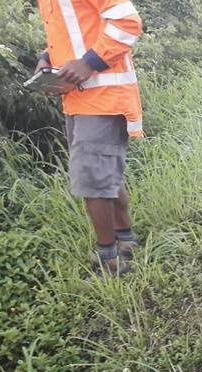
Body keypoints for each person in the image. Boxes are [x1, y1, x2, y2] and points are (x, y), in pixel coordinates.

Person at [36, 0, 144, 275]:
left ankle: (109, 260)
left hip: (102, 99)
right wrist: (48, 59)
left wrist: (88, 63)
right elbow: (76, 32)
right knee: (104, 174)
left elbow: (127, 22)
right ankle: (126, 240)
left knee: (93, 180)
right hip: (80, 100)